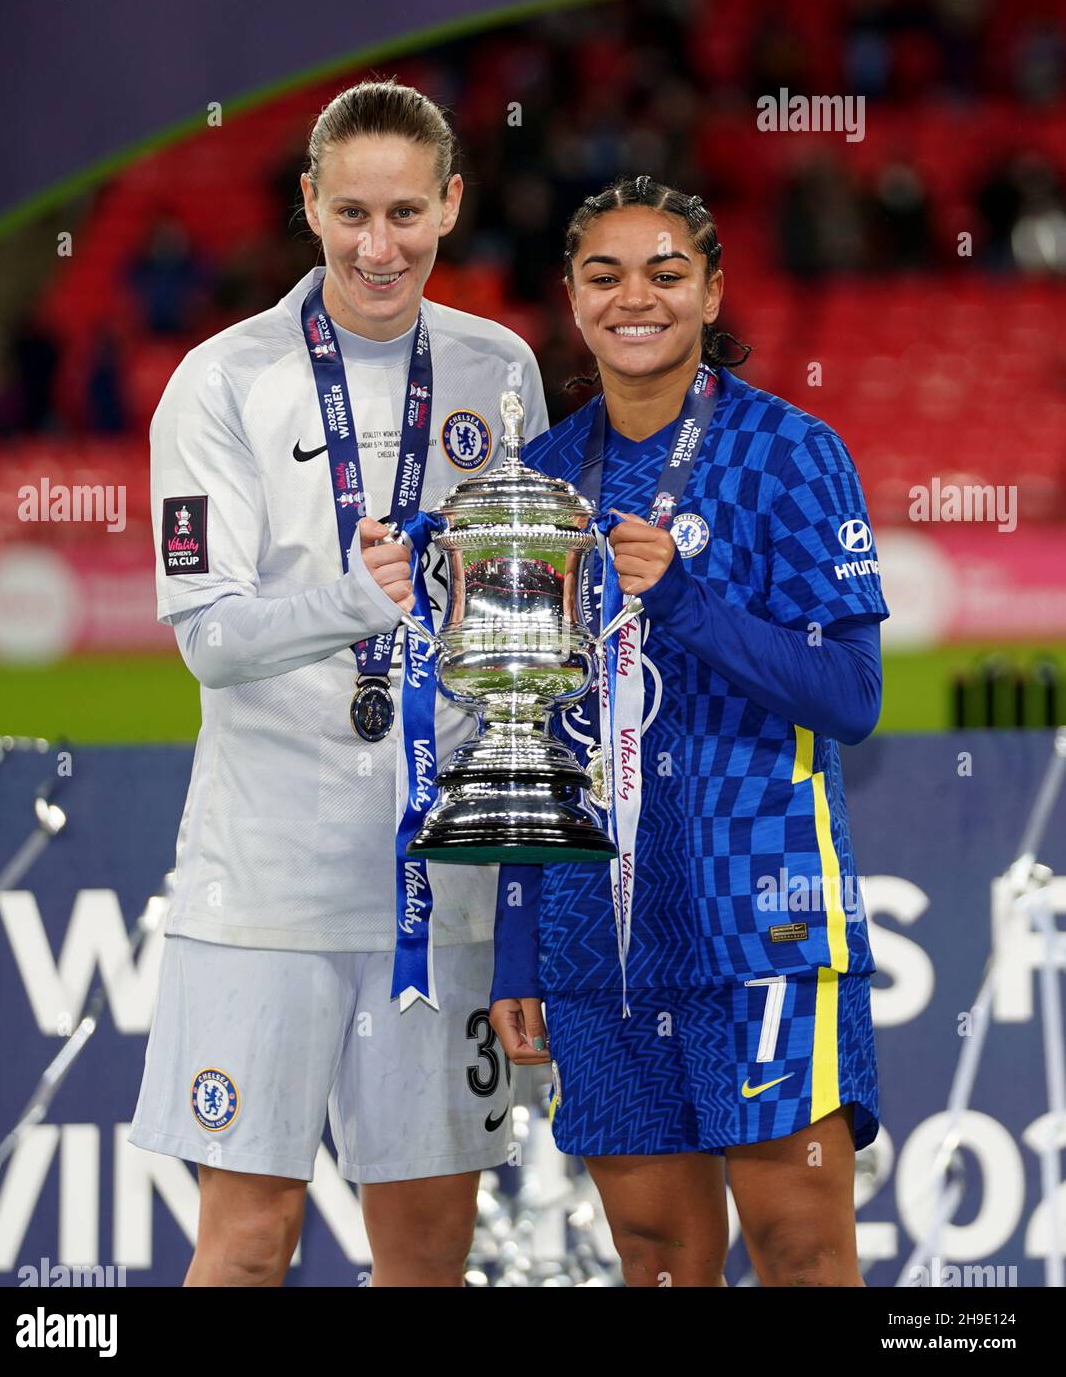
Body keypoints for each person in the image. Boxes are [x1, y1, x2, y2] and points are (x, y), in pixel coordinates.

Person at [130, 80, 548, 1287]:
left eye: (407, 212)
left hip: (441, 882)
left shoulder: (498, 368)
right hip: (264, 885)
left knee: (424, 1256)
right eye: (352, 211)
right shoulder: (221, 380)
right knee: (251, 1240)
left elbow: (520, 622)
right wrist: (365, 606)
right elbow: (207, 635)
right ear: (309, 204)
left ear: (452, 204)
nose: (380, 246)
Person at [490, 176, 888, 1287]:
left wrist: (687, 602)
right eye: (604, 275)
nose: (636, 298)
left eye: (665, 273)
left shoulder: (790, 455)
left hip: (761, 922)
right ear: (570, 299)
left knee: (801, 1248)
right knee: (658, 1258)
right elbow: (523, 738)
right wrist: (518, 945)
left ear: (710, 291)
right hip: (595, 939)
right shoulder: (536, 484)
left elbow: (851, 697)